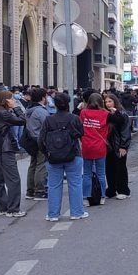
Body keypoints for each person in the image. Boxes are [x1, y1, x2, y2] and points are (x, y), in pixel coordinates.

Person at [41, 92, 86, 221]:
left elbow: (41, 139)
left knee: (54, 185)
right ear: (68, 103)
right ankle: (77, 212)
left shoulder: (49, 119)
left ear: (55, 105)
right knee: (75, 183)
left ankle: (53, 214)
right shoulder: (74, 118)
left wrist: (47, 153)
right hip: (73, 154)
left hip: (53, 156)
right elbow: (81, 133)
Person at [0, 90, 27, 217]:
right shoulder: (4, 113)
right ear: (6, 100)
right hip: (5, 149)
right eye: (11, 99)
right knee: (13, 179)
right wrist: (16, 108)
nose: (13, 100)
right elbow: (22, 120)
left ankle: (0, 208)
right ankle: (13, 209)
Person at [80, 92, 110, 206]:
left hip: (87, 146)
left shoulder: (83, 112)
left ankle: (86, 198)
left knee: (87, 174)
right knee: (101, 174)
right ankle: (102, 196)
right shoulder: (105, 113)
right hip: (100, 146)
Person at [103, 92, 132, 200]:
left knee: (120, 168)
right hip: (108, 146)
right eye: (106, 102)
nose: (108, 104)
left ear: (115, 101)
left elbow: (125, 131)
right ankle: (111, 189)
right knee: (109, 168)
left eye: (110, 101)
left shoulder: (122, 114)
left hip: (119, 145)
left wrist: (123, 146)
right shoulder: (107, 114)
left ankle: (123, 190)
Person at [24, 87, 50, 199]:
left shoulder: (29, 109)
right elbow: (48, 126)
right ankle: (40, 190)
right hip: (40, 140)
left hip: (31, 140)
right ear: (43, 98)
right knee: (41, 165)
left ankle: (30, 191)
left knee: (33, 165)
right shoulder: (41, 111)